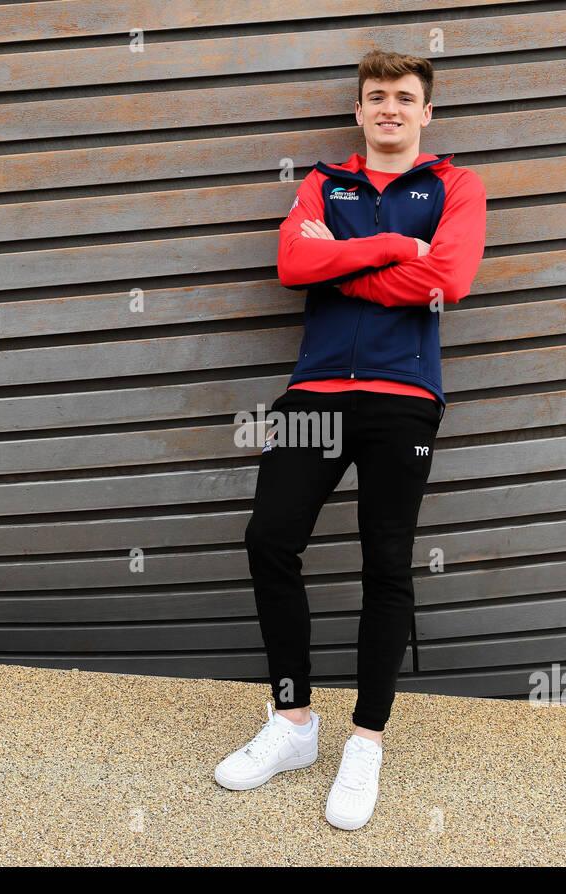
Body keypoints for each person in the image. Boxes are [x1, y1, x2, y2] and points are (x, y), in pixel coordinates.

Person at [214, 49, 487, 830]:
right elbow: (291, 261)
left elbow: (451, 281)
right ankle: (294, 722)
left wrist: (337, 264)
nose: (390, 108)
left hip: (405, 397)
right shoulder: (321, 184)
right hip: (315, 391)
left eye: (405, 97)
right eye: (377, 97)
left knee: (385, 563)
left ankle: (366, 738)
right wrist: (400, 249)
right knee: (269, 538)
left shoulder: (455, 186)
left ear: (426, 112)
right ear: (359, 111)